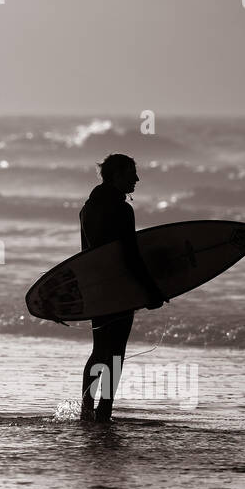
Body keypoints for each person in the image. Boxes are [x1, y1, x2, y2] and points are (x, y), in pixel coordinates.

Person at [78, 153, 166, 422]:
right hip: (119, 290)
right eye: (131, 173)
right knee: (115, 352)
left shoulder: (87, 208)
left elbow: (90, 254)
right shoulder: (122, 210)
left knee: (100, 349)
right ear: (116, 175)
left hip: (95, 288)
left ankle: (87, 409)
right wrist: (151, 290)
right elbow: (130, 256)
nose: (137, 178)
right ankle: (104, 411)